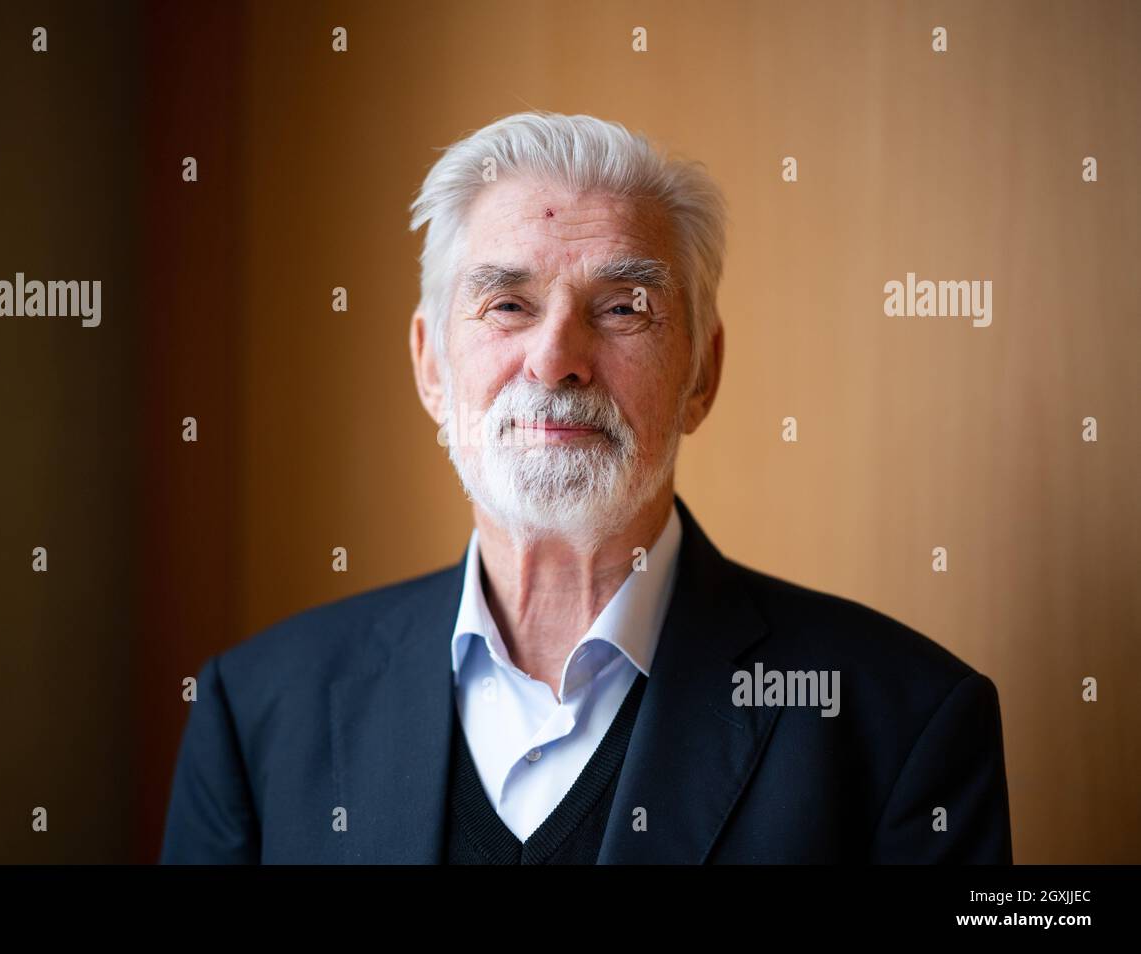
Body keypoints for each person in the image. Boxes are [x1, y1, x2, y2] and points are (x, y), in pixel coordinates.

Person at [160, 111, 1013, 864]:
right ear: (430, 365)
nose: (555, 358)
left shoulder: (902, 720)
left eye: (622, 307)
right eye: (506, 304)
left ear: (702, 373)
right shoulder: (255, 712)